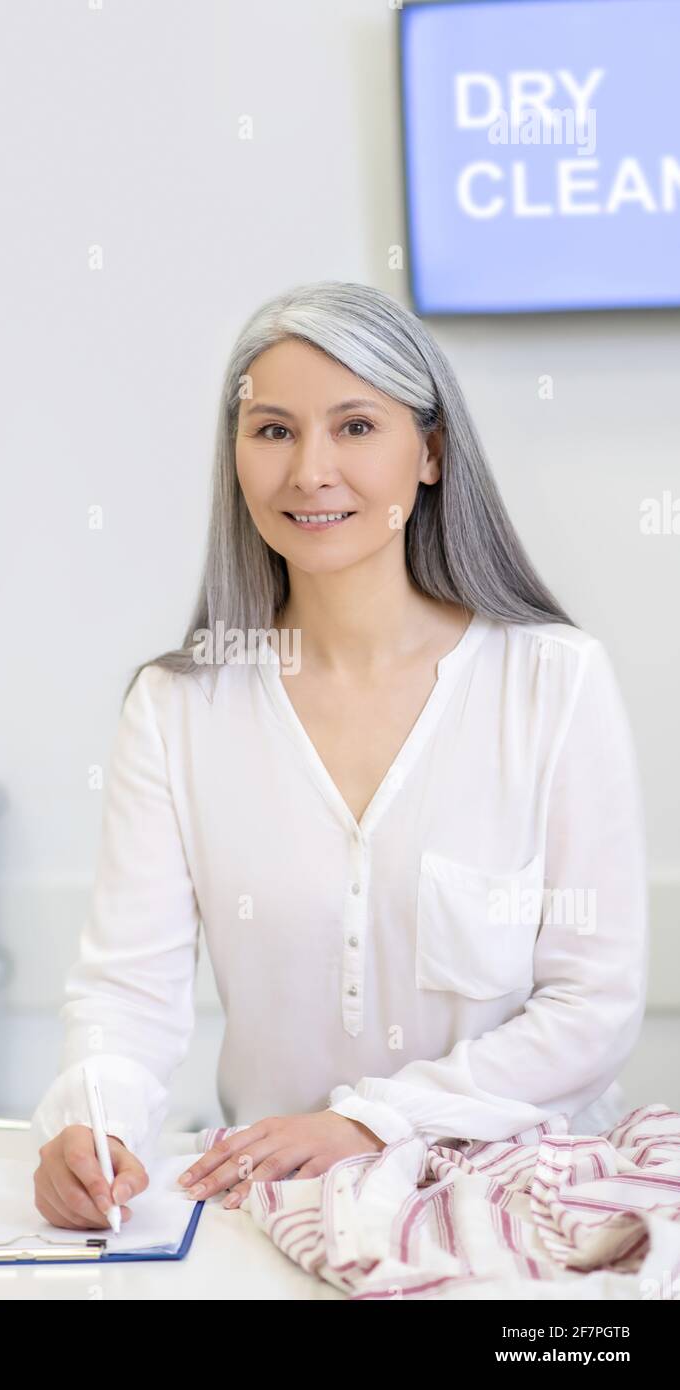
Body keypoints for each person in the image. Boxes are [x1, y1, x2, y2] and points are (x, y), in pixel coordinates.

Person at [31, 281, 648, 1232]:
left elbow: (592, 1010)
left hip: (524, 1215)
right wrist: (93, 1124)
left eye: (355, 427)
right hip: (278, 1217)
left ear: (432, 453)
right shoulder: (178, 709)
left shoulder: (553, 681)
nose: (310, 471)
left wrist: (368, 1122)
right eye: (273, 431)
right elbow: (128, 994)